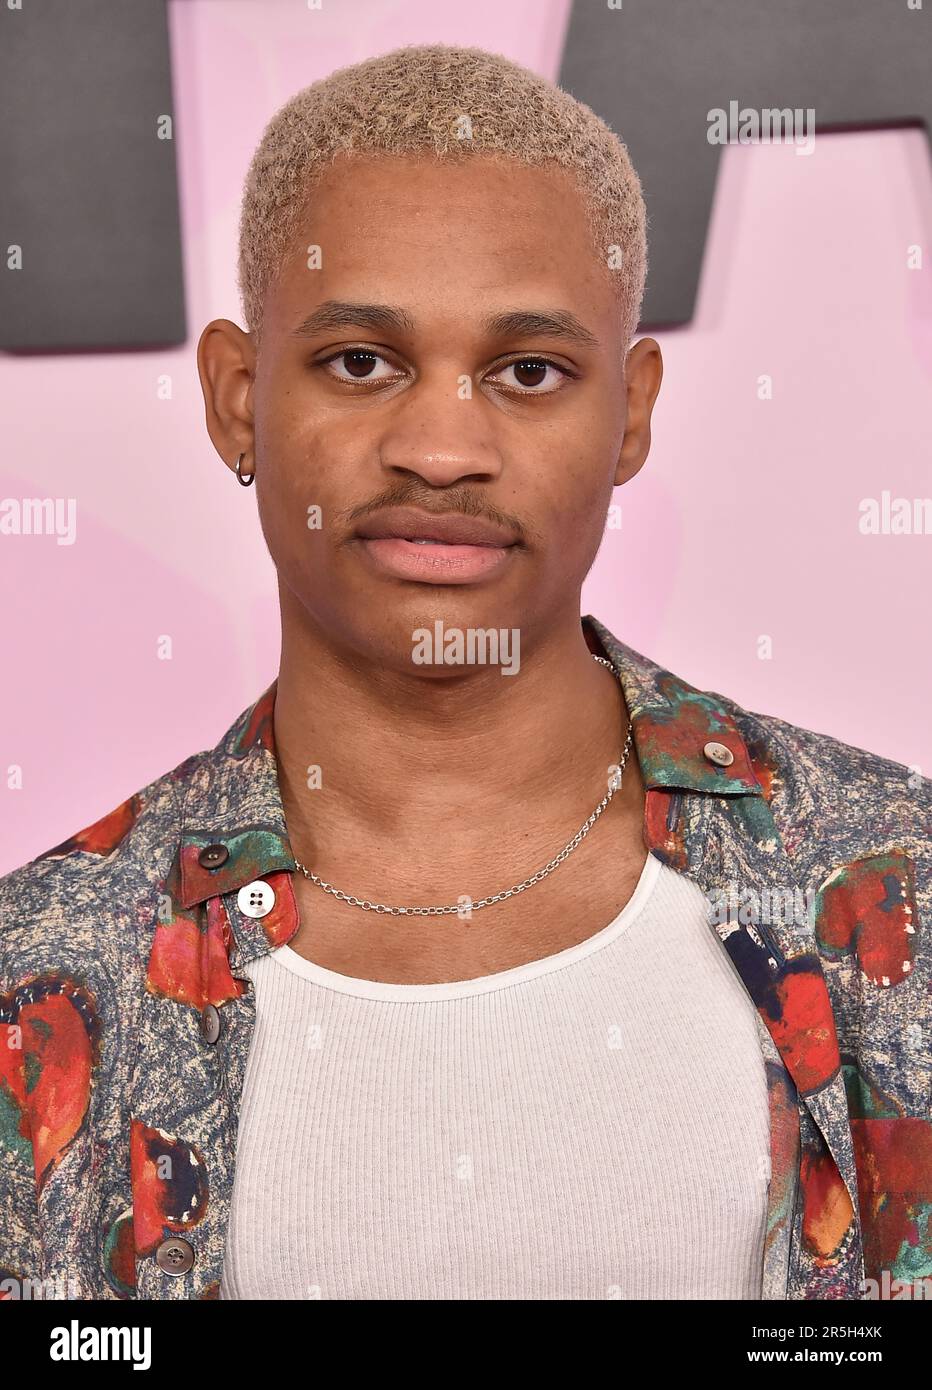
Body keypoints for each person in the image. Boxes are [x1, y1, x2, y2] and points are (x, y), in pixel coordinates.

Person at [1, 43, 929, 1303]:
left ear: (630, 415)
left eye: (527, 372)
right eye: (361, 362)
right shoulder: (38, 975)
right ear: (235, 398)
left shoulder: (896, 895)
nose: (442, 449)